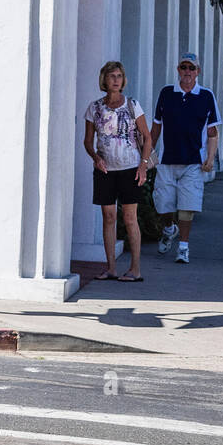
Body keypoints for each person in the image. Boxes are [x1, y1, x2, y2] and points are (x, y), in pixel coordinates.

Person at [82, 61, 151, 282]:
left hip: (130, 168)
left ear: (123, 80)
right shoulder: (95, 108)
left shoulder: (132, 105)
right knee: (108, 216)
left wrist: (143, 164)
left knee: (130, 218)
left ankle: (135, 269)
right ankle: (111, 267)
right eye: (111, 76)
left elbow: (147, 137)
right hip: (105, 170)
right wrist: (95, 158)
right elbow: (87, 141)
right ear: (104, 79)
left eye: (119, 76)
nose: (115, 80)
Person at [150, 52, 221, 264]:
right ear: (178, 70)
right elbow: (155, 128)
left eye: (191, 68)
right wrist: (147, 156)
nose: (187, 72)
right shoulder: (166, 93)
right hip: (166, 160)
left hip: (193, 161)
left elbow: (212, 132)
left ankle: (183, 247)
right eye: (184, 67)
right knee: (164, 205)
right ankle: (169, 229)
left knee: (187, 206)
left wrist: (210, 157)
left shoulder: (206, 96)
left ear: (198, 72)